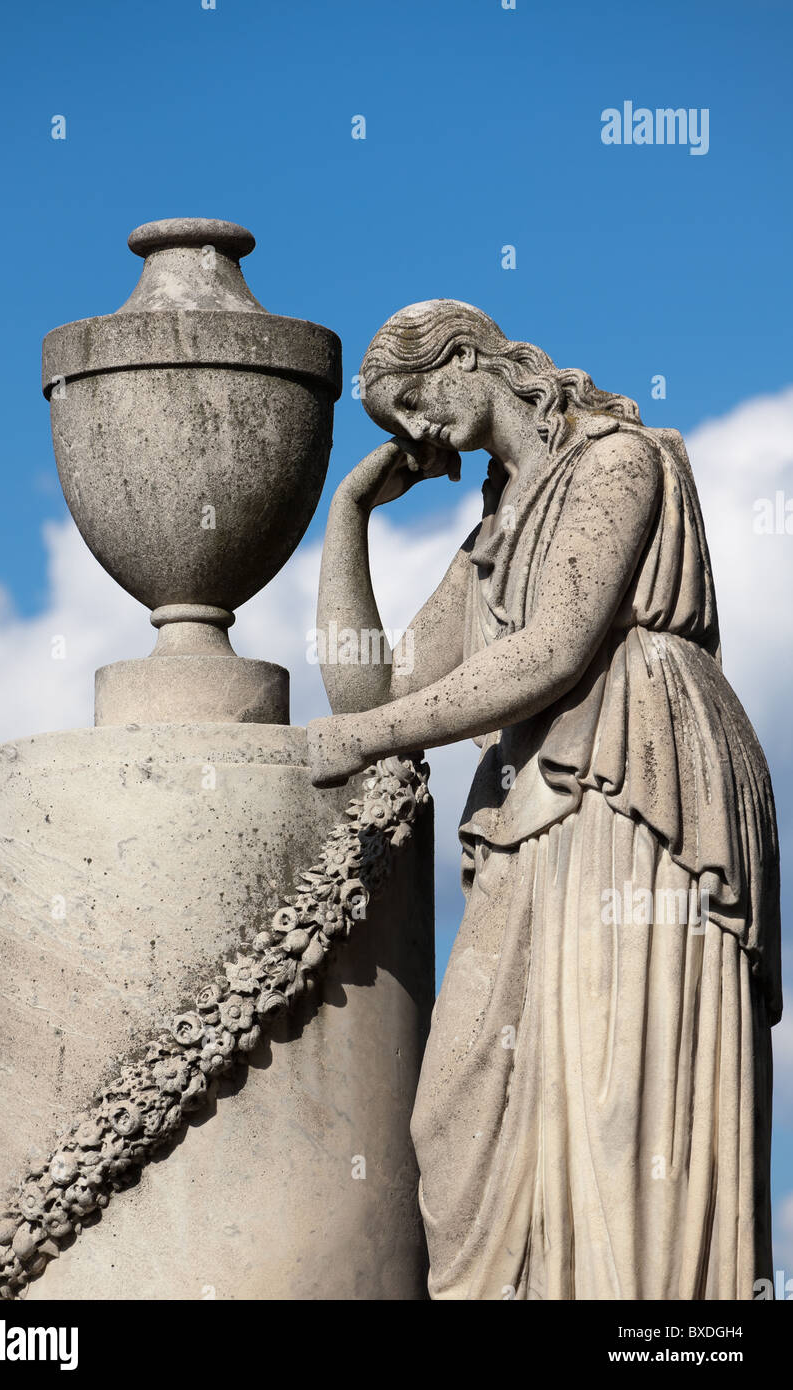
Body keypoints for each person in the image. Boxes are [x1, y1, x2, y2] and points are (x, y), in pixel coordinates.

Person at [308, 299, 780, 1300]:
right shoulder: (495, 526)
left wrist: (362, 739)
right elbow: (366, 688)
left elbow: (554, 652)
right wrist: (347, 513)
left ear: (469, 359)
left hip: (633, 773)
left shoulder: (616, 460)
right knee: (458, 1111)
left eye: (413, 404)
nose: (410, 436)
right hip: (533, 802)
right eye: (391, 427)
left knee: (620, 1098)